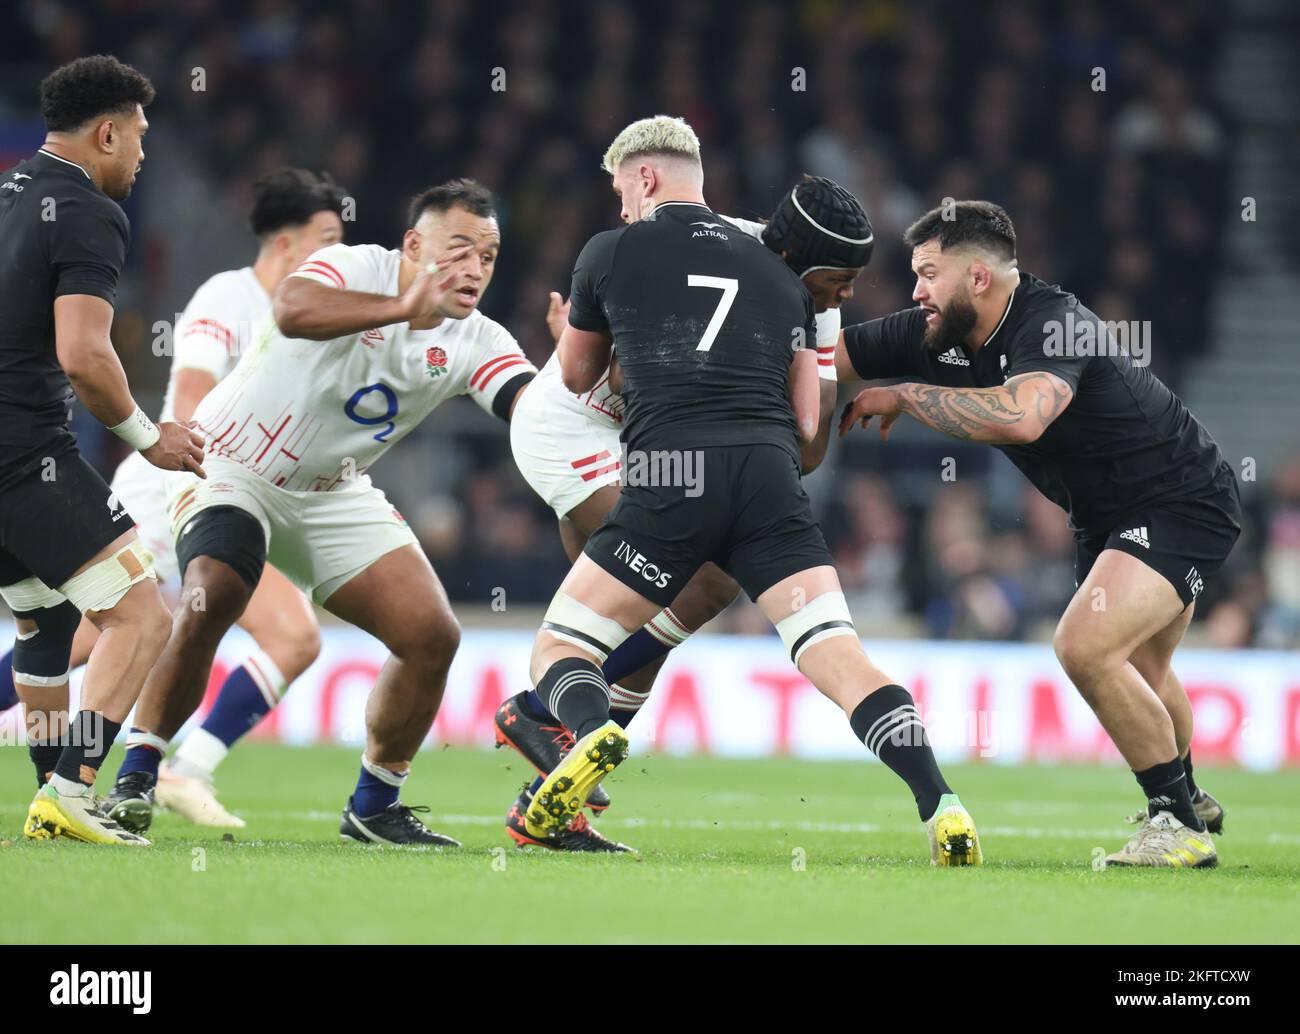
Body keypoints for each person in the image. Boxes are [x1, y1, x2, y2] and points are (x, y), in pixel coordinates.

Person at [522, 116, 982, 865]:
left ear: (642, 178)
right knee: (838, 652)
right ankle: (942, 803)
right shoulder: (785, 276)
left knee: (560, 645)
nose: (618, 206)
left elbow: (576, 379)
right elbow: (810, 428)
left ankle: (593, 727)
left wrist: (615, 350)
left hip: (671, 473)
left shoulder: (611, 250)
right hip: (769, 477)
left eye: (619, 191)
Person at [104, 179, 539, 846]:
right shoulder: (355, 264)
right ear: (414, 245)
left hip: (330, 490)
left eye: (489, 255)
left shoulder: (477, 338)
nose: (475, 268)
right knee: (213, 591)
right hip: (229, 461)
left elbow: (530, 407)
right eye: (459, 250)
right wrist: (399, 306)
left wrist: (586, 387)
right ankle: (136, 776)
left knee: (432, 636)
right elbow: (293, 308)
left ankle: (374, 805)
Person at [836, 200, 1235, 868]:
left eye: (930, 274)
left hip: (1179, 496)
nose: (916, 291)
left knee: (1084, 646)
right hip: (1109, 515)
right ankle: (1188, 798)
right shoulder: (935, 331)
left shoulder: (1054, 323)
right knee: (1141, 665)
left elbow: (1024, 418)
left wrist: (907, 397)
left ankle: (1176, 826)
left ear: (979, 278)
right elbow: (832, 355)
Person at [500, 174, 873, 851]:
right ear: (809, 260)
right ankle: (540, 715)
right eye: (840, 281)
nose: (846, 295)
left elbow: (807, 449)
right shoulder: (719, 260)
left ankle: (555, 783)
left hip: (656, 442)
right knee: (698, 576)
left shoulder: (807, 296)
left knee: (689, 589)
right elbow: (616, 375)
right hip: (577, 425)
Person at [78, 168, 343, 830]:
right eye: (327, 239)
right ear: (285, 243)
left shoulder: (317, 320)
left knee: (294, 635)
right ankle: (88, 776)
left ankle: (181, 770)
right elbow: (191, 393)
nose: (338, 257)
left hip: (237, 502)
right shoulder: (230, 298)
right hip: (172, 488)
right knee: (79, 638)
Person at [1, 55, 205, 846]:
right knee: (142, 615)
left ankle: (49, 798)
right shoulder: (88, 211)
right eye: (140, 138)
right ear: (108, 131)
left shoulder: (10, 191)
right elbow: (85, 355)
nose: (144, 155)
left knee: (45, 623)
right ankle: (75, 788)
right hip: (25, 454)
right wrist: (149, 439)